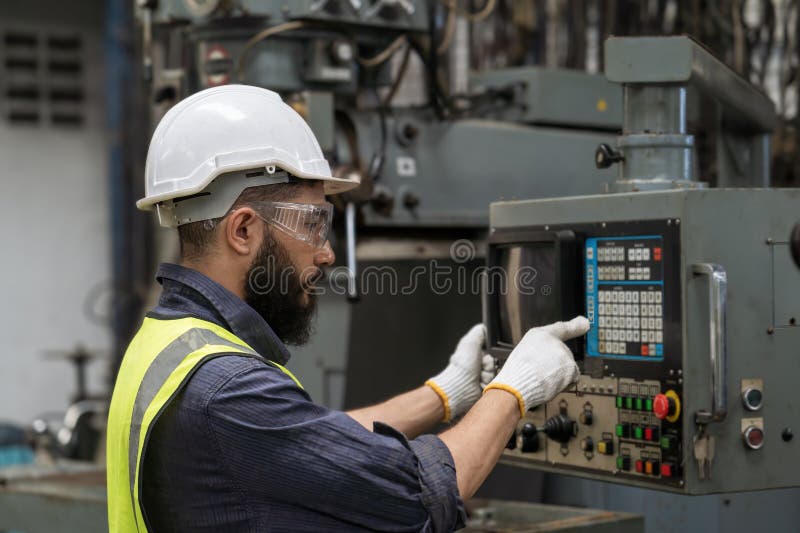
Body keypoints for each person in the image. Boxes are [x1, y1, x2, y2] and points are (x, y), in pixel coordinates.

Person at [106, 85, 589, 532]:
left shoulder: (168, 343)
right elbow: (418, 497)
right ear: (244, 231)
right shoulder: (226, 388)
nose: (327, 252)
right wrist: (513, 390)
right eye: (313, 224)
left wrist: (444, 394)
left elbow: (317, 445)